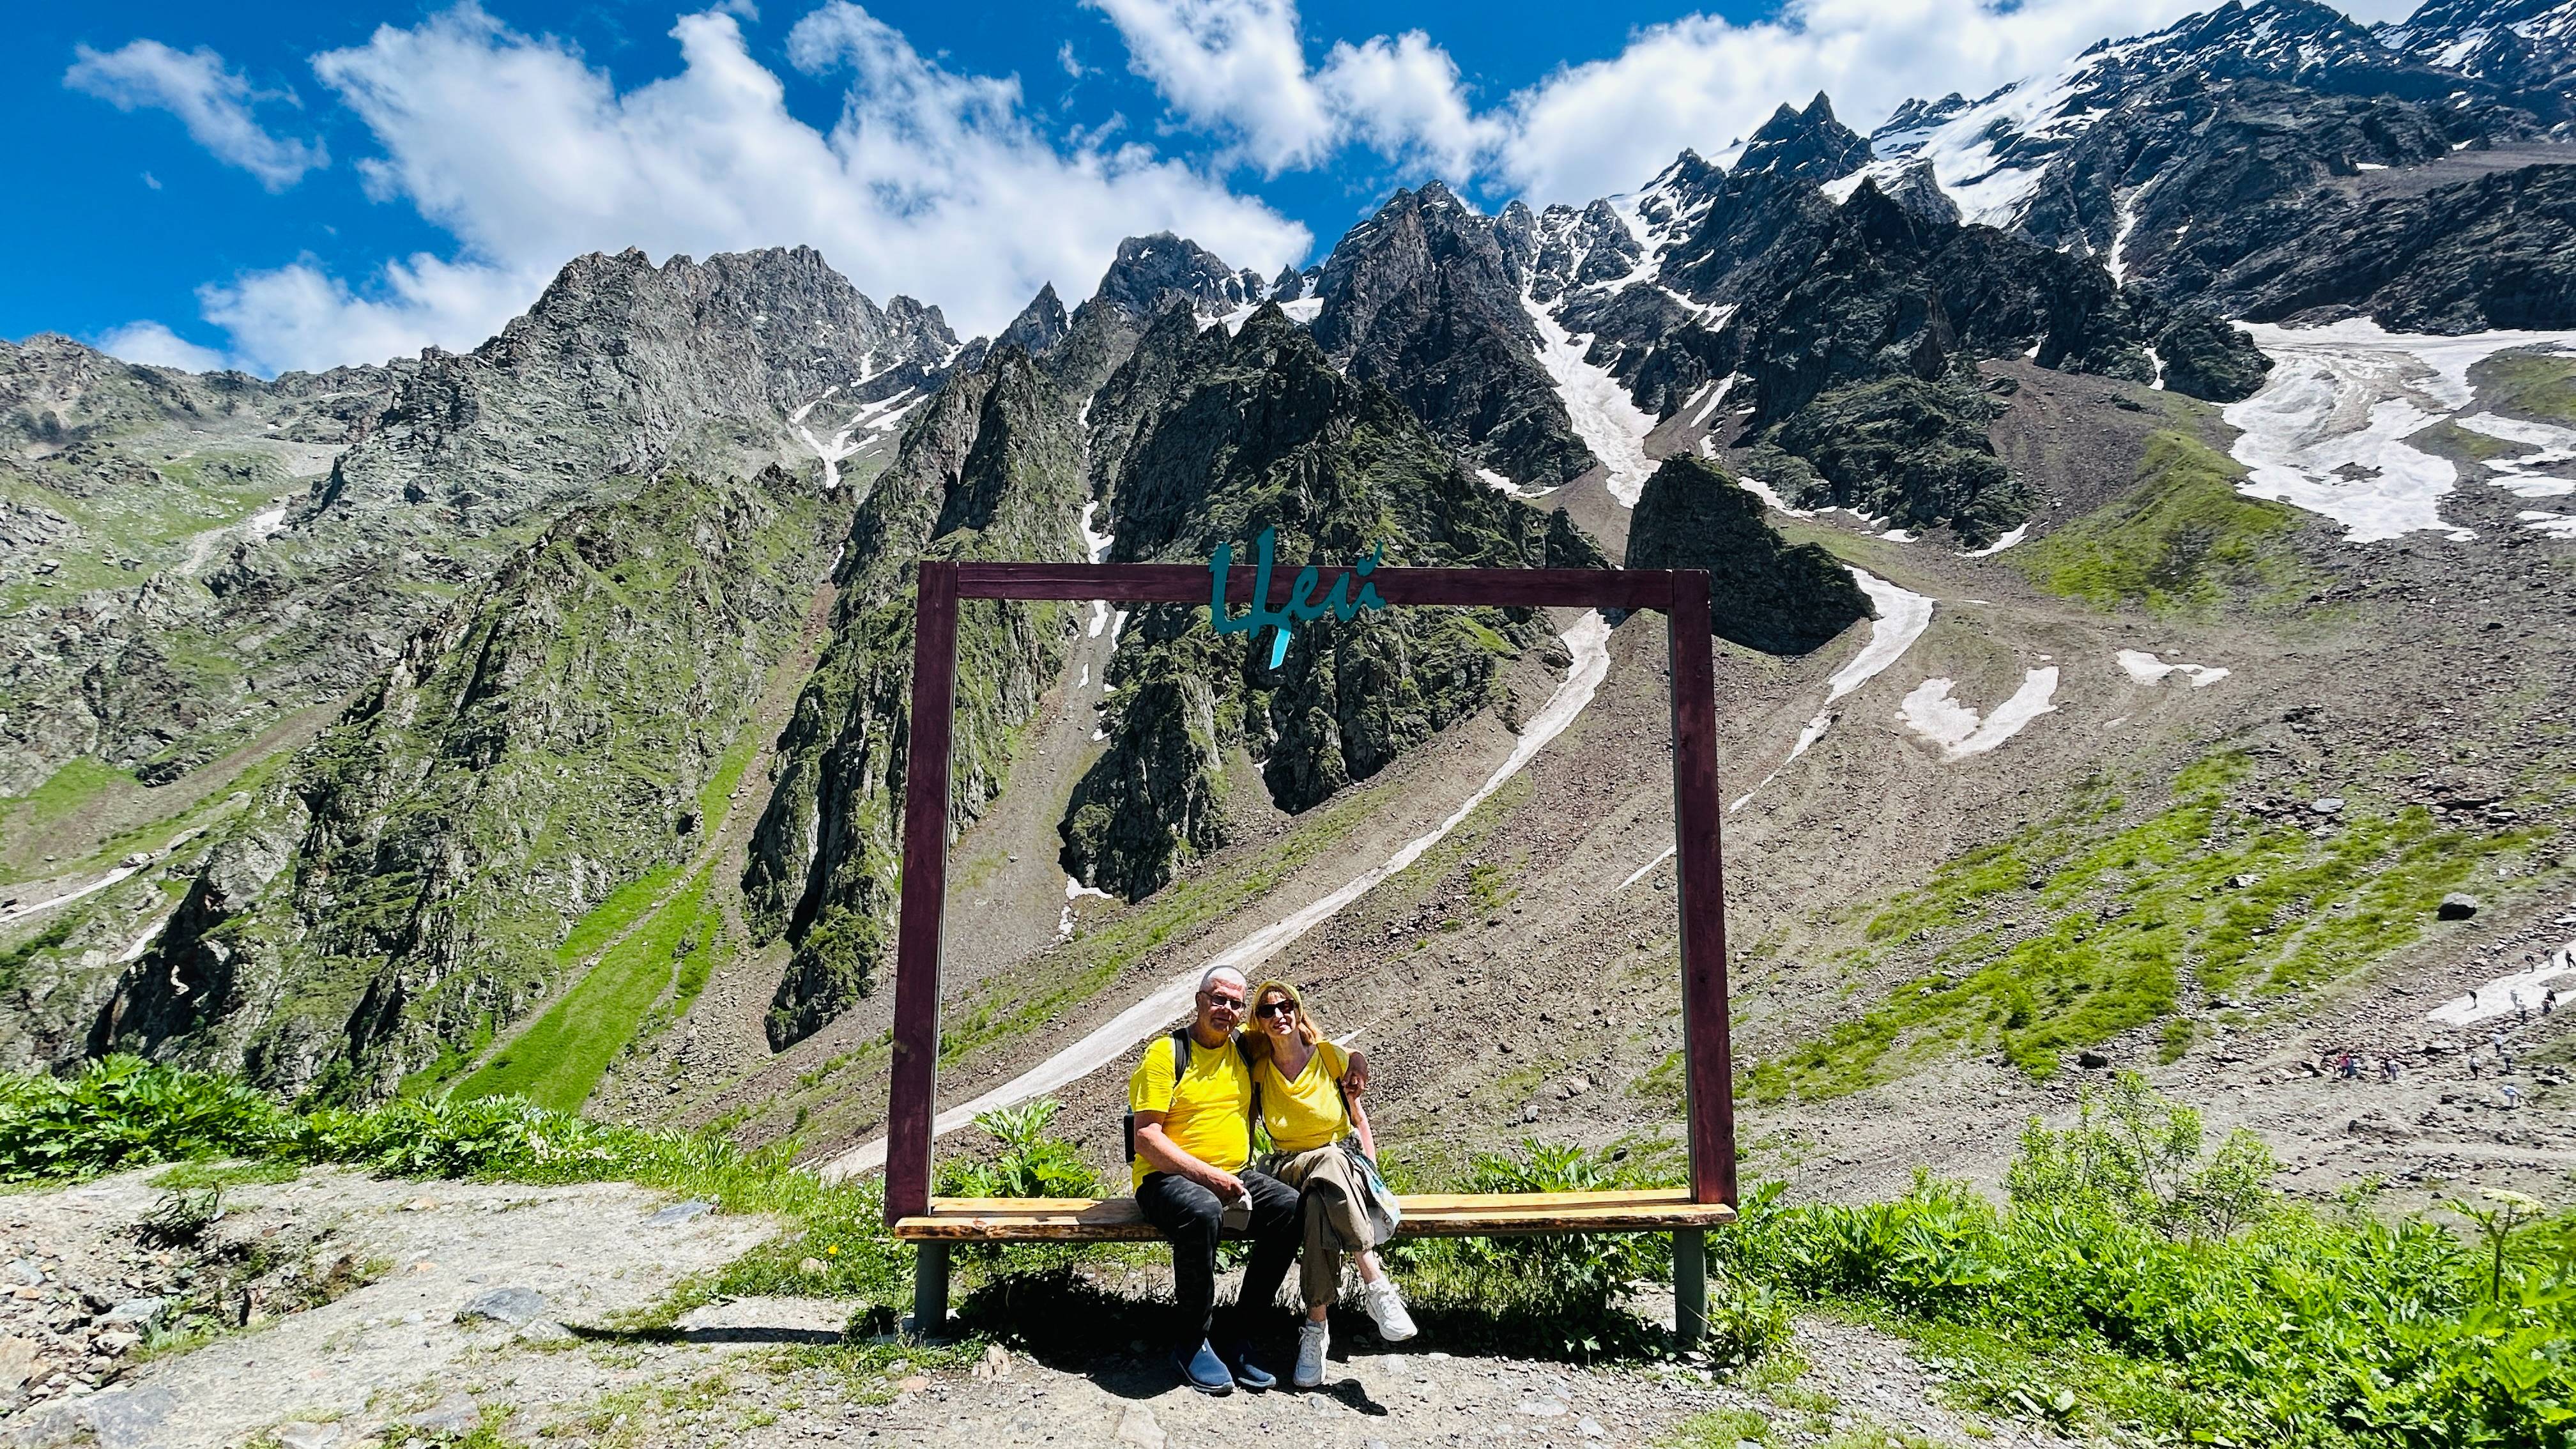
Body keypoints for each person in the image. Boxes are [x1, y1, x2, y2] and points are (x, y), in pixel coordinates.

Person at [1129, 965, 1301, 1395]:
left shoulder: (1244, 1050)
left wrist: (1356, 1062)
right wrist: (1209, 1177)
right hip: (1165, 1179)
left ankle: (1238, 1334)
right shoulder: (1166, 1054)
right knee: (1203, 1210)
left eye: (1235, 1003)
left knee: (1292, 1209)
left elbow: (1304, 1041)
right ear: (1200, 1000)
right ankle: (1192, 1340)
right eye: (1218, 998)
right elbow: (1147, 1137)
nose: (1226, 1009)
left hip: (1234, 1175)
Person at [1241, 979, 1418, 1388]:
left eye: (1286, 1006)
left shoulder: (1329, 1057)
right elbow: (1248, 1122)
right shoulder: (1260, 1068)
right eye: (1268, 1011)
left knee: (1323, 1200)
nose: (1278, 1015)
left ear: (1299, 1011)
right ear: (1259, 1021)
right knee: (1331, 1161)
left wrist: (1370, 1171)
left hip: (1337, 1168)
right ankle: (1374, 1281)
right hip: (1288, 1166)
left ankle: (1315, 1328)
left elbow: (1357, 1115)